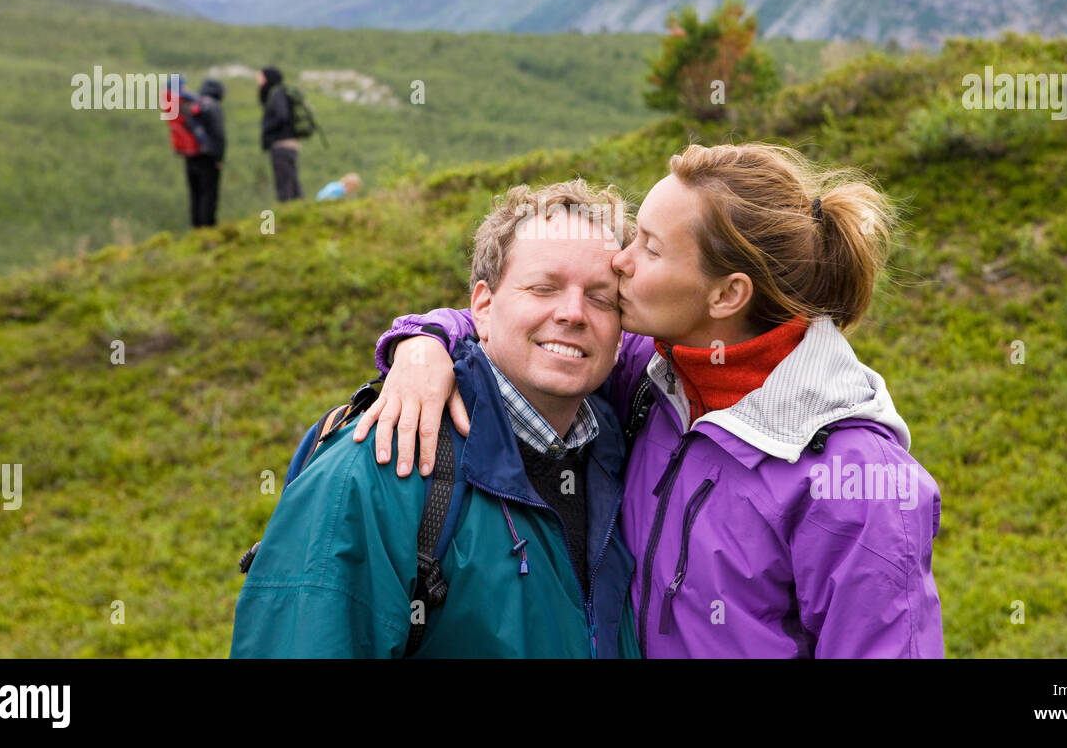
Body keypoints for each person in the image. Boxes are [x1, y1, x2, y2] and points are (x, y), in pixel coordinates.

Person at [357, 142, 944, 658]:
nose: (620, 260)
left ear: (726, 295)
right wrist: (424, 341)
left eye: (651, 249)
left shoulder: (859, 483)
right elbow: (521, 324)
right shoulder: (649, 374)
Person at [230, 180, 640, 658]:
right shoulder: (383, 463)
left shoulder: (627, 452)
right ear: (482, 307)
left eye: (601, 298)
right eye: (543, 287)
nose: (573, 313)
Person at [185, 78, 226, 227]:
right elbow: (219, 134)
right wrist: (219, 158)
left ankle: (196, 227)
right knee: (209, 193)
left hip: (191, 155)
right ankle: (208, 227)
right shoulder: (213, 107)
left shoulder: (195, 104)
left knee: (195, 193)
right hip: (209, 157)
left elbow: (189, 126)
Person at [257, 66, 301, 202]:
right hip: (289, 144)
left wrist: (266, 128)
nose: (258, 81)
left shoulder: (277, 94)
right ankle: (297, 208)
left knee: (284, 183)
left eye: (260, 78)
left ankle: (287, 211)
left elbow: (282, 116)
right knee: (291, 180)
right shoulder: (279, 93)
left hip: (282, 144)